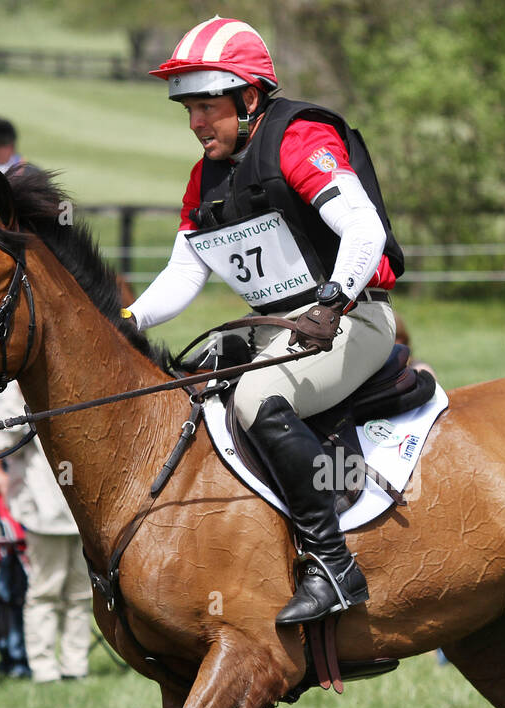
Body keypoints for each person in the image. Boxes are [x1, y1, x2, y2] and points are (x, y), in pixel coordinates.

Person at [129, 16, 405, 626]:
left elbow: (364, 230)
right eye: (189, 110)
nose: (196, 123)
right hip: (278, 330)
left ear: (248, 97)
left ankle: (333, 565)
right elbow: (183, 276)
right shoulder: (205, 178)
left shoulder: (300, 139)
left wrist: (331, 301)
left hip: (352, 319)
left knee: (255, 397)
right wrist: (125, 318)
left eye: (207, 106)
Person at [0, 383, 91, 683]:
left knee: (81, 592)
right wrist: (23, 399)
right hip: (43, 506)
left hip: (82, 509)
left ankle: (75, 666)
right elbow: (2, 438)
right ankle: (44, 668)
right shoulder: (17, 390)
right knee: (46, 590)